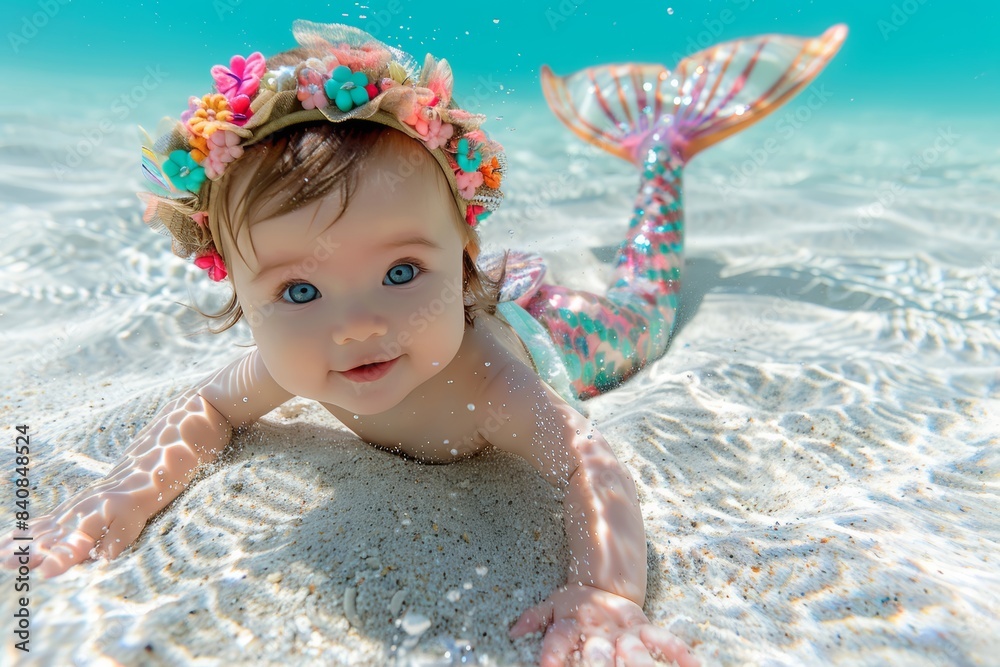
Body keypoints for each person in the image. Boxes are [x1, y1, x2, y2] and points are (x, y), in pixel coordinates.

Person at [3, 20, 845, 666]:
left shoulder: (489, 386)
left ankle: (662, 146)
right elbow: (212, 405)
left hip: (553, 330)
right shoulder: (294, 361)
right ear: (240, 295)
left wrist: (601, 588)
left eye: (404, 271)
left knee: (647, 305)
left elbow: (594, 466)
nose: (356, 325)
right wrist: (118, 500)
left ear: (465, 254)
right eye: (299, 290)